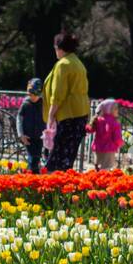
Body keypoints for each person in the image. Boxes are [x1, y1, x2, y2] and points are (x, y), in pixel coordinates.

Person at [42, 31, 90, 171]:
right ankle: (65, 186)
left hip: (67, 115)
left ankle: (51, 188)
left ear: (60, 48)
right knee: (68, 157)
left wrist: (50, 115)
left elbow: (58, 93)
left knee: (57, 157)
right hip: (80, 114)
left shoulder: (63, 64)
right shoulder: (78, 63)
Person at [18, 78, 45, 173]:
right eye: (30, 95)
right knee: (32, 158)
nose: (32, 97)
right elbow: (19, 119)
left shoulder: (43, 104)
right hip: (28, 136)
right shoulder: (26, 104)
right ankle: (31, 175)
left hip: (40, 136)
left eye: (34, 95)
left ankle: (34, 174)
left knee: (37, 157)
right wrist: (21, 134)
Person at [87, 99, 123, 169]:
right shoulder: (114, 123)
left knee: (98, 167)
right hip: (109, 149)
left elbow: (90, 129)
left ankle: (95, 179)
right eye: (115, 108)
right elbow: (117, 138)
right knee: (107, 168)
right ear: (109, 110)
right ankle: (103, 180)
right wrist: (120, 143)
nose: (117, 110)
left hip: (98, 148)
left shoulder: (98, 120)